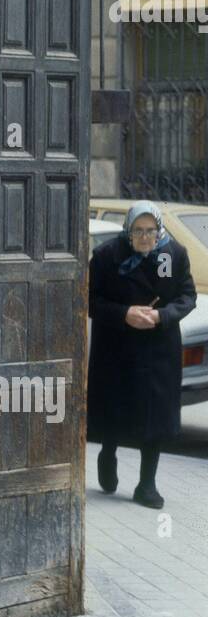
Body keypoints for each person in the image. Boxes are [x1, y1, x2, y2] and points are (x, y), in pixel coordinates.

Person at [87, 201, 196, 509]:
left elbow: (187, 296)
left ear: (159, 229)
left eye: (151, 231)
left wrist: (163, 315)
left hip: (157, 346)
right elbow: (89, 299)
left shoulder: (172, 254)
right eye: (139, 231)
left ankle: (147, 484)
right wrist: (124, 313)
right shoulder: (108, 256)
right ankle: (108, 454)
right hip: (117, 345)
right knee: (114, 408)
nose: (146, 238)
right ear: (128, 230)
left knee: (155, 414)